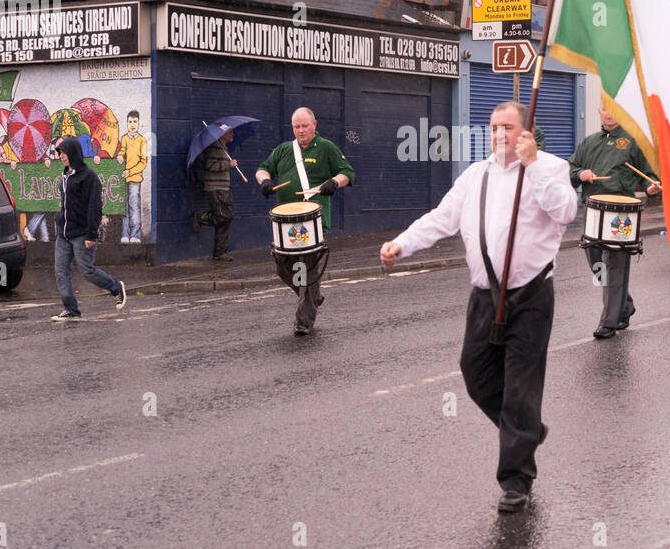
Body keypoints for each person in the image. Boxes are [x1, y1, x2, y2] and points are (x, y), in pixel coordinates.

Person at [379, 102, 577, 513]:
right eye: (493, 127)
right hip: (485, 295)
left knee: (521, 388)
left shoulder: (550, 168)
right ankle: (527, 431)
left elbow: (566, 211)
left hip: (530, 296)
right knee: (476, 374)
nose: (499, 134)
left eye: (508, 127)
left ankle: (516, 480)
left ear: (526, 131)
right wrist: (402, 243)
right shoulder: (476, 175)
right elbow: (441, 219)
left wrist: (533, 165)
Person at [257, 107, 355, 335]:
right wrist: (265, 181)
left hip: (313, 219)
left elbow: (347, 172)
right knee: (283, 267)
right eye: (296, 127)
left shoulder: (326, 148)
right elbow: (263, 169)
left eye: (305, 126)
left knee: (307, 267)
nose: (300, 130)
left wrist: (334, 182)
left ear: (315, 125)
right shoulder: (283, 150)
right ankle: (313, 295)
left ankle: (304, 321)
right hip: (286, 220)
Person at [569, 104, 661, 335]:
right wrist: (579, 174)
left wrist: (652, 186)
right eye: (604, 110)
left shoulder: (633, 141)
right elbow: (571, 166)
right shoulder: (589, 142)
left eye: (612, 110)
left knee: (616, 265)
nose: (608, 114)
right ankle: (624, 305)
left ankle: (608, 323)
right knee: (598, 265)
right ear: (598, 112)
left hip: (621, 214)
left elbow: (650, 175)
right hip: (593, 210)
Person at [50, 137, 126, 321]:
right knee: (61, 273)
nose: (61, 156)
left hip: (82, 233)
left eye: (64, 152)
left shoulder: (88, 177)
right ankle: (71, 310)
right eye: (59, 153)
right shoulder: (65, 176)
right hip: (64, 234)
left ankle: (116, 287)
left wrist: (92, 234)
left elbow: (94, 207)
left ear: (73, 153)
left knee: (87, 271)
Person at [192, 130, 238, 260]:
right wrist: (228, 164)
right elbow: (210, 165)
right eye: (230, 133)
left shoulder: (224, 148)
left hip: (224, 187)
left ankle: (220, 252)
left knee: (226, 219)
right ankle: (201, 217)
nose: (232, 135)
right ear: (222, 135)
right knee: (223, 216)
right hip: (215, 188)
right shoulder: (214, 148)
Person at [117, 111, 148, 244]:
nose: (132, 125)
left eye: (135, 122)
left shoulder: (142, 140)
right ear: (127, 123)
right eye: (130, 122)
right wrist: (120, 155)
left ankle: (135, 234)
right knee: (124, 207)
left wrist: (130, 171)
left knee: (134, 206)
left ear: (139, 123)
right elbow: (123, 150)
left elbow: (143, 162)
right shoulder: (124, 138)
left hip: (134, 179)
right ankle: (125, 233)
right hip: (124, 178)